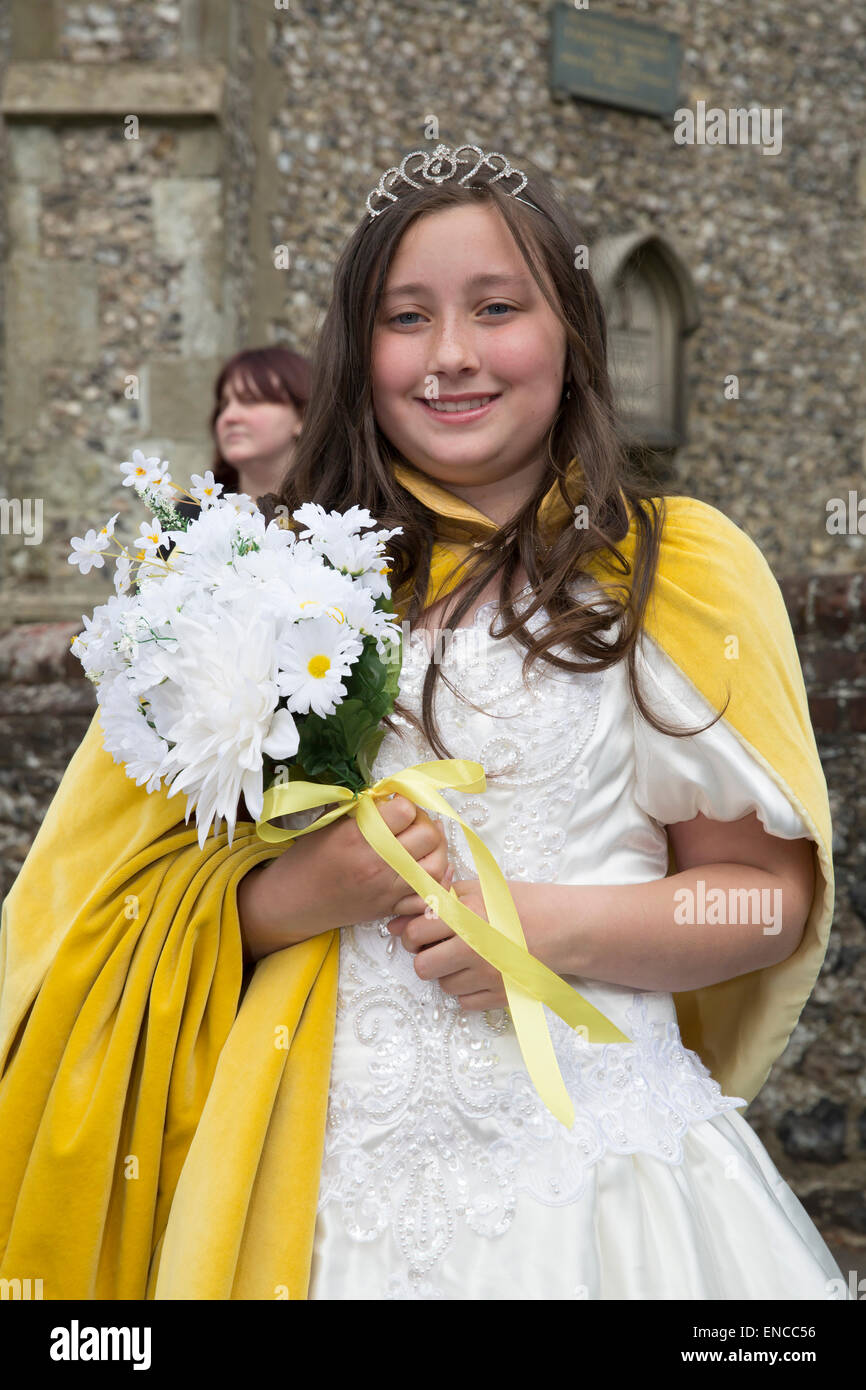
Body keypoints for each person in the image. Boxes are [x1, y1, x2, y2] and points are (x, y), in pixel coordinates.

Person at [0, 143, 848, 1302]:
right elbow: (111, 907)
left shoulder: (673, 570)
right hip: (303, 1197)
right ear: (359, 350)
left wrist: (539, 927)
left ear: (568, 336)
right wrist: (309, 888)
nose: (450, 354)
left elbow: (762, 902)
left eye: (496, 308)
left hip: (596, 1189)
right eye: (406, 317)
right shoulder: (259, 581)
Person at [211, 345, 311, 500]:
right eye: (224, 404)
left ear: (302, 417)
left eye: (250, 400)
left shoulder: (336, 516)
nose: (229, 416)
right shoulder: (191, 515)